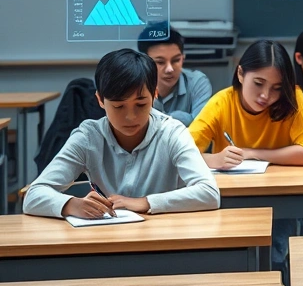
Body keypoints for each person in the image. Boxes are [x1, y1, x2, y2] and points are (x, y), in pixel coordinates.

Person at [24, 49, 219, 218]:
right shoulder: (88, 136)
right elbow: (33, 195)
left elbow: (209, 193)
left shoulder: (172, 132)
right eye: (118, 106)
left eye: (141, 104)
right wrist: (71, 205)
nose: (130, 116)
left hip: (163, 238)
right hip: (108, 236)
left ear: (154, 95)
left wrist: (146, 202)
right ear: (100, 100)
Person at [190, 39, 303, 170]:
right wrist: (213, 159)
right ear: (240, 74)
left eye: (277, 88)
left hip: (281, 186)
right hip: (233, 188)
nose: (265, 95)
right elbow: (179, 153)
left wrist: (253, 153)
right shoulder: (221, 103)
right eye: (258, 83)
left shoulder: (292, 98)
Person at [137, 26, 213, 127]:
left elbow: (201, 130)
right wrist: (186, 119)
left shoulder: (197, 82)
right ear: (144, 62)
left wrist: (156, 120)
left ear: (183, 58)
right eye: (160, 62)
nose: (170, 69)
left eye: (176, 60)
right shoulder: (133, 86)